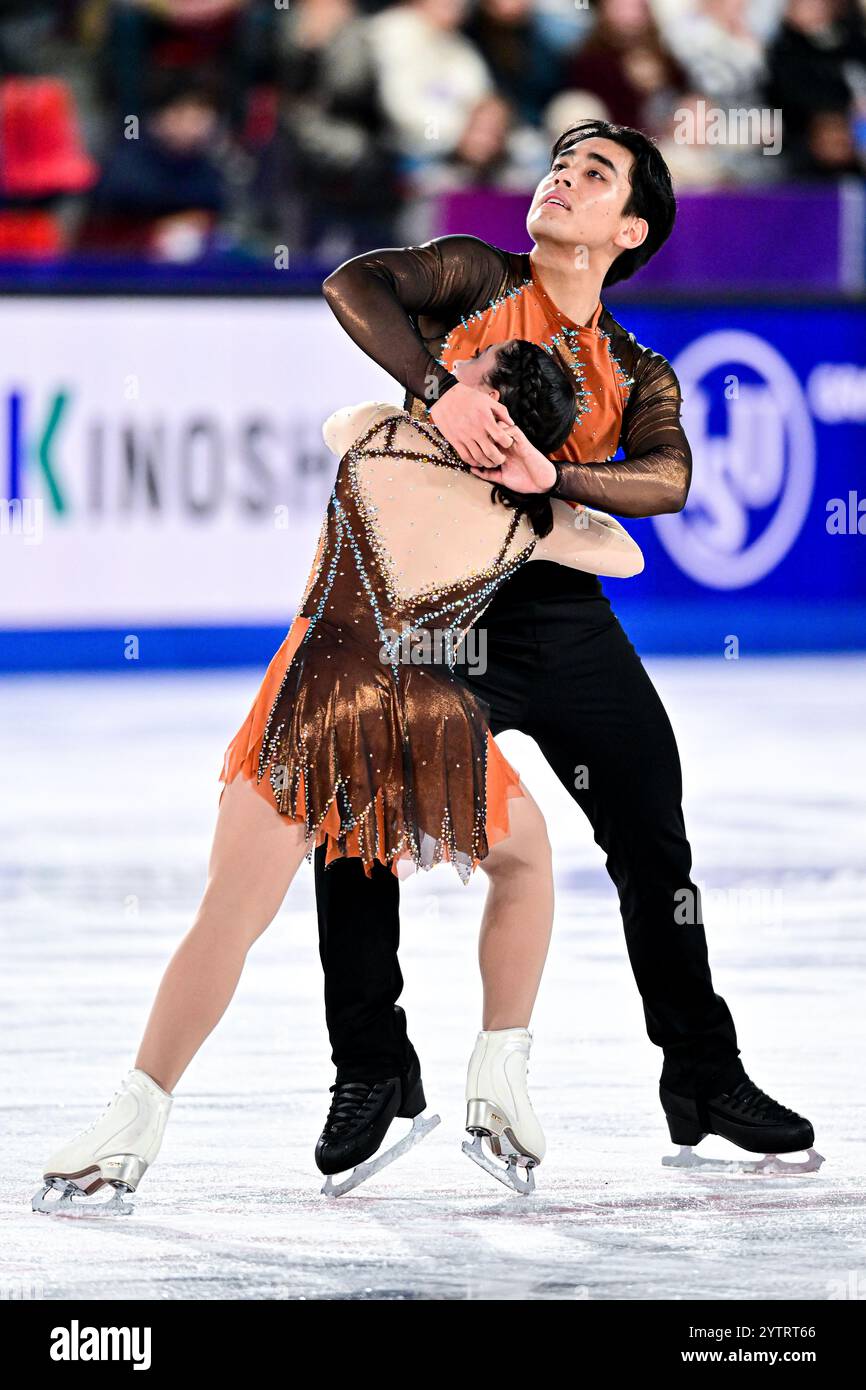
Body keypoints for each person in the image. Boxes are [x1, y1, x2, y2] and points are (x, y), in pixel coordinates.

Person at [312, 117, 819, 1181]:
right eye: (556, 164)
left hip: (560, 621)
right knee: (354, 809)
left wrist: (561, 482)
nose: (559, 179)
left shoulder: (635, 369)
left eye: (592, 175)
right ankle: (372, 1066)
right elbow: (353, 284)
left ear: (628, 229)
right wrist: (437, 386)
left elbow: (669, 480)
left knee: (653, 841)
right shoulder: (470, 278)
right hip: (436, 613)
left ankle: (700, 1074)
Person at [32, 337, 646, 1214]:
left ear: (495, 407)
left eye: (471, 372)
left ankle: (132, 1124)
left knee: (228, 918)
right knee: (529, 860)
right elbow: (620, 551)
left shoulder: (383, 434)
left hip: (320, 696)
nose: (448, 370)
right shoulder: (524, 519)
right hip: (425, 712)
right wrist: (539, 479)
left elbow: (336, 421)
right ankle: (499, 1078)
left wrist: (464, 428)